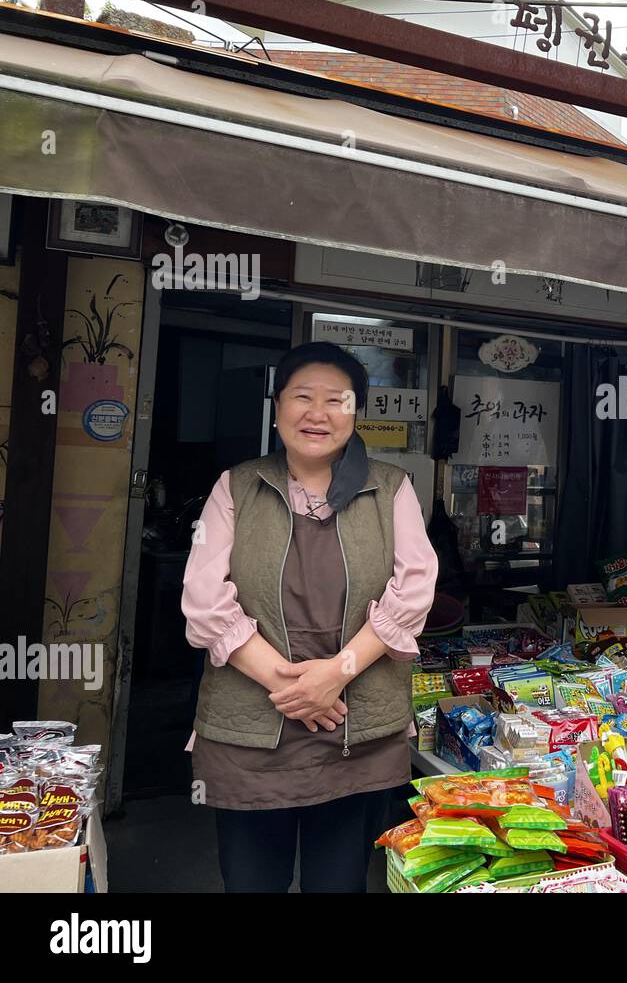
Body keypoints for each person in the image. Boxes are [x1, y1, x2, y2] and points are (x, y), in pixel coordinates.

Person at [181, 341, 437, 892]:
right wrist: (294, 687)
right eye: (302, 397)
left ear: (355, 413)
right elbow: (204, 598)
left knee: (340, 881)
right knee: (251, 881)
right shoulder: (237, 486)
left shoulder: (391, 487)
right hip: (252, 728)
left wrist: (336, 673)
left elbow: (414, 591)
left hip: (354, 726)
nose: (317, 414)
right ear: (277, 410)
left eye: (336, 400)